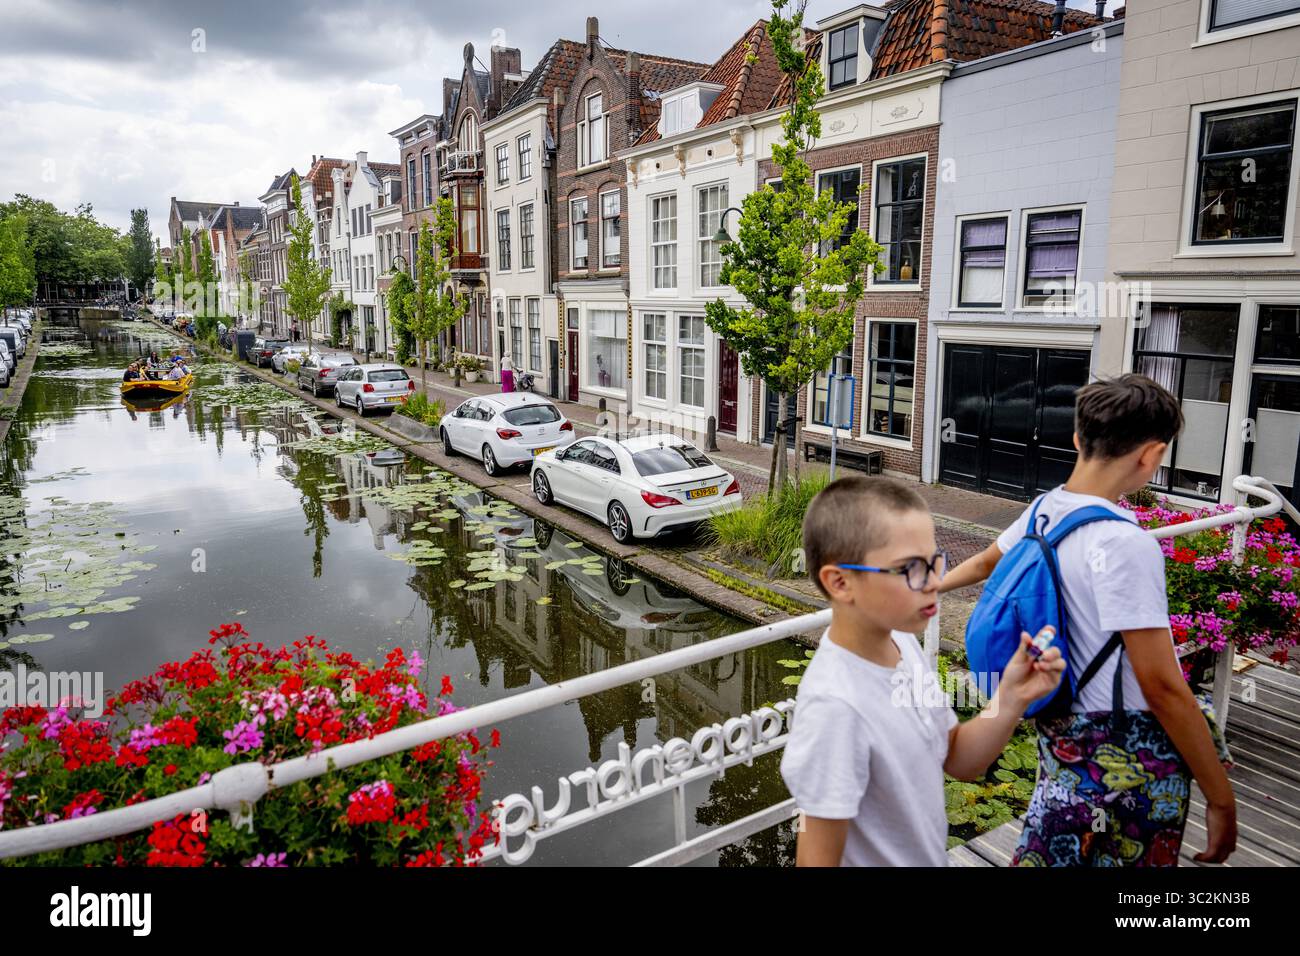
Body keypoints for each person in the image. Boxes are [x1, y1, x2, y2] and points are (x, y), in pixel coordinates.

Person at [940, 374, 1237, 866]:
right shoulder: (1126, 543)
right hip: (1129, 747)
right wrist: (1220, 798)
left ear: (1078, 437)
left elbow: (988, 561)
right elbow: (1161, 685)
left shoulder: (1044, 510)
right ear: (1151, 455)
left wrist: (925, 590)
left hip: (1061, 733)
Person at [780, 476, 1065, 866]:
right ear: (841, 582)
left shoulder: (903, 645)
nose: (935, 583)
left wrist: (1011, 697)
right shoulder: (835, 707)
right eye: (911, 569)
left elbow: (959, 759)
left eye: (935, 562)